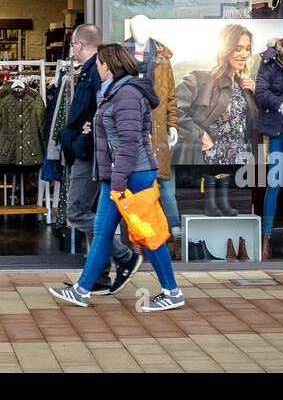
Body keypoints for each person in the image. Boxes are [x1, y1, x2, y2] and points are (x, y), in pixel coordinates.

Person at [50, 44, 184, 312]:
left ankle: (172, 292)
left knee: (149, 235)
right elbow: (120, 135)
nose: (97, 69)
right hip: (119, 175)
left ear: (108, 66)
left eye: (99, 65)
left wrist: (119, 182)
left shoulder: (126, 95)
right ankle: (82, 289)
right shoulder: (115, 93)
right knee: (102, 232)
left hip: (132, 177)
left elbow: (129, 143)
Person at [59, 25, 140, 295]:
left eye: (72, 45)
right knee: (91, 211)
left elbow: (105, 110)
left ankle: (124, 257)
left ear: (78, 45)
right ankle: (101, 276)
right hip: (91, 151)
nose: (72, 50)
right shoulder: (93, 70)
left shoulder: (97, 70)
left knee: (77, 211)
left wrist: (90, 130)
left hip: (91, 154)